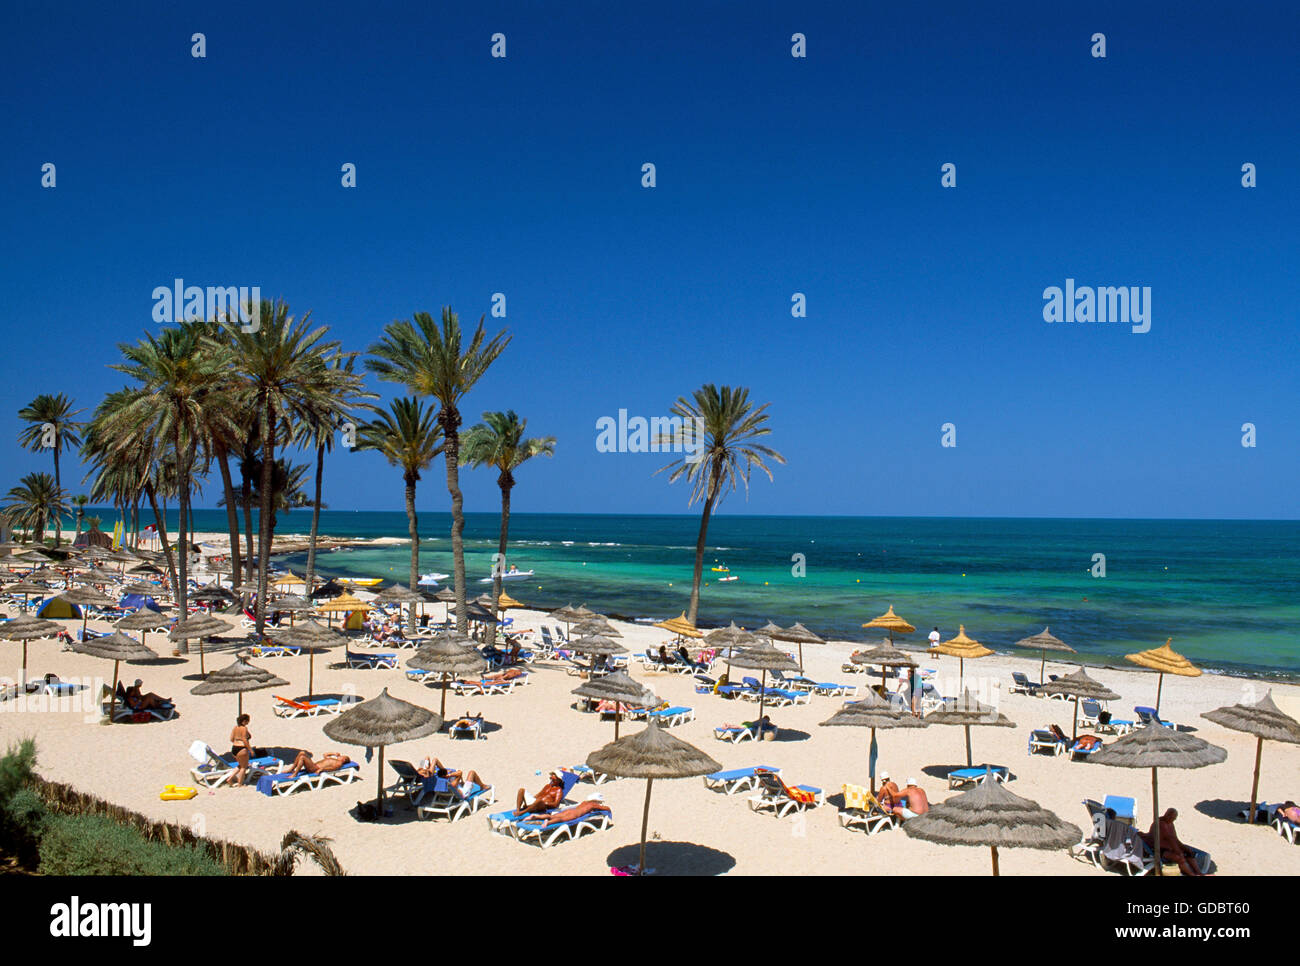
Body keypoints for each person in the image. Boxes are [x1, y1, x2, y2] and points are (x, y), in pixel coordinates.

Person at [1139, 808, 1206, 876]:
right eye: (1171, 817)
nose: (1173, 819)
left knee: (1189, 853)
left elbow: (1175, 838)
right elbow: (1170, 839)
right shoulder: (1161, 824)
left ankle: (1198, 872)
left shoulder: (1170, 823)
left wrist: (1184, 848)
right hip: (1158, 848)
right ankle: (1191, 874)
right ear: (1167, 815)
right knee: (1179, 858)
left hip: (1168, 847)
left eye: (1174, 818)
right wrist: (1178, 851)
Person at [229, 713, 254, 787]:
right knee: (244, 767)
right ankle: (240, 784)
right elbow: (244, 739)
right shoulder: (244, 728)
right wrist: (250, 750)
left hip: (234, 748)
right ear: (244, 721)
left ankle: (230, 778)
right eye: (247, 721)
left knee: (240, 765)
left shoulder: (235, 727)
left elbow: (231, 739)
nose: (248, 722)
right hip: (242, 748)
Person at [286, 750, 351, 778]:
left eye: (342, 756)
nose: (341, 756)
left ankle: (295, 774)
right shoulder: (334, 759)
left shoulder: (339, 763)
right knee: (302, 753)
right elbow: (325, 754)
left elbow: (333, 768)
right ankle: (291, 769)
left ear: (344, 759)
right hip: (313, 765)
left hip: (314, 769)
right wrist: (334, 753)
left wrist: (322, 769)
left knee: (302, 757)